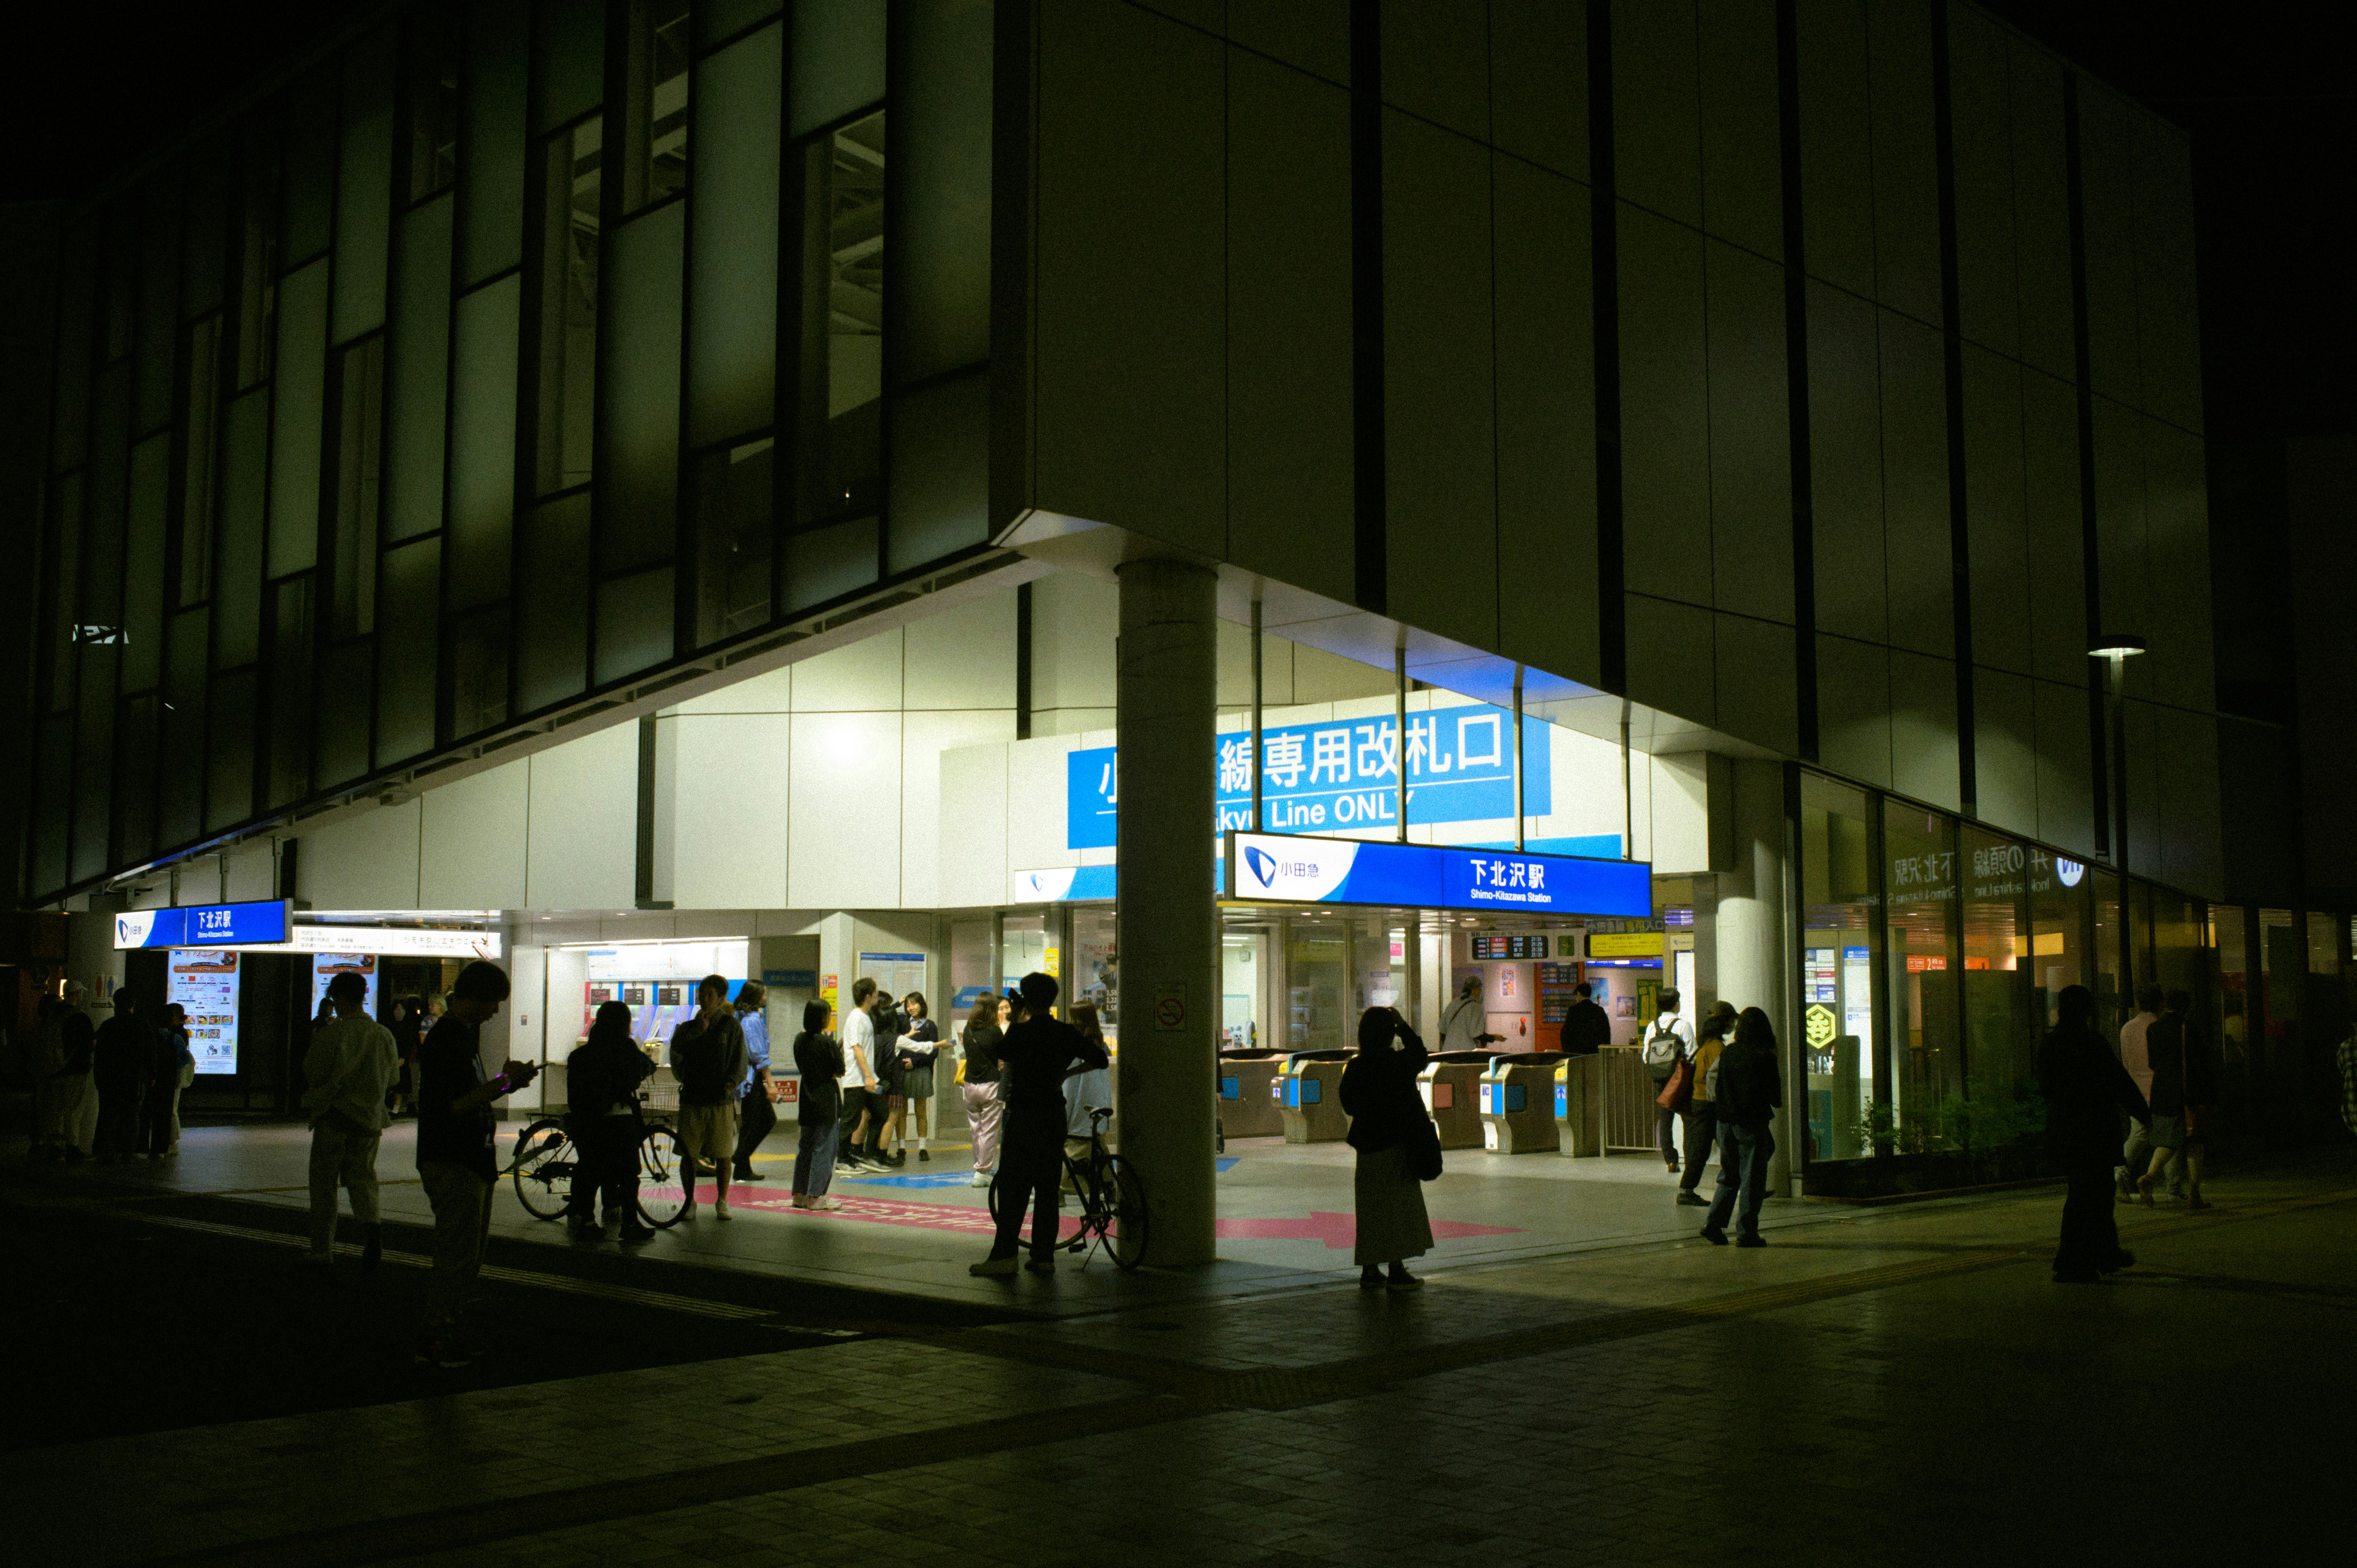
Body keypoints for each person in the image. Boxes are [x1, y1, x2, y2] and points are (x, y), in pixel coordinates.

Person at [414, 961, 537, 1368]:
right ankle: (436, 1335)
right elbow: (453, 1104)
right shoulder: (448, 1038)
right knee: (457, 1254)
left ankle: (447, 1329)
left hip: (468, 1157)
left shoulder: (460, 1036)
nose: (496, 1012)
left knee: (466, 1254)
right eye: (494, 1003)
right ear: (477, 996)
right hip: (454, 1158)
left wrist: (502, 1080)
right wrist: (505, 1084)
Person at [971, 972, 1107, 1278]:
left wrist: (1019, 1020)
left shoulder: (1021, 1032)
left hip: (1023, 1116)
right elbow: (1100, 1060)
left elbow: (1002, 1054)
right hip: (1052, 1115)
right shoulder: (1065, 1032)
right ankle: (1044, 1256)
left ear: (1027, 1000)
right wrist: (1067, 1075)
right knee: (1047, 1189)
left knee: (1014, 1187)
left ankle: (1004, 1256)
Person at [2038, 984, 2150, 1283]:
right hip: (2095, 1129)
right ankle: (2082, 1259)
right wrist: (2144, 1114)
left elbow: (2046, 1088)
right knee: (2096, 1195)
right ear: (2087, 1011)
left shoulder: (2051, 1044)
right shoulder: (2093, 1043)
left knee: (2082, 1193)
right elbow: (2119, 1083)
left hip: (2067, 1129)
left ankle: (2096, 1255)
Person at [302, 971, 399, 1269]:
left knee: (324, 1186)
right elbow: (394, 1077)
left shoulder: (334, 1033)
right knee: (363, 1180)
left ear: (341, 998)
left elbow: (313, 1073)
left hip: (335, 1119)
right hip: (370, 1121)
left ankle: (322, 1248)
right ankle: (373, 1235)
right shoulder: (384, 1034)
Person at [1340, 1006, 1436, 1292]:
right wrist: (1402, 1025)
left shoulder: (1357, 1066)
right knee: (1398, 1207)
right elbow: (1421, 1053)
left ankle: (1370, 1269)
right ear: (1389, 1034)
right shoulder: (1398, 1063)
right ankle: (1396, 1268)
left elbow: (1349, 1104)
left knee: (1370, 1209)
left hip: (1367, 1146)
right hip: (1397, 1144)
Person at [565, 1000, 656, 1243]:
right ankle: (630, 1223)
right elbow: (645, 1069)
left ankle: (586, 1221)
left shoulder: (582, 1054)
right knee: (628, 1174)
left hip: (589, 1121)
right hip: (620, 1117)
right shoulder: (626, 1047)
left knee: (591, 1170)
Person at [1699, 1007, 1782, 1248]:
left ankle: (1714, 1224)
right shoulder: (1765, 1055)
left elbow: (1716, 1086)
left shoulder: (1730, 1052)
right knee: (1752, 1178)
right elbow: (1775, 1097)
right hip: (1751, 1123)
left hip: (1725, 1123)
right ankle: (1746, 1232)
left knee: (1730, 1175)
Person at [669, 974, 748, 1221]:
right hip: (692, 1098)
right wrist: (698, 1034)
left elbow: (740, 1060)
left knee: (724, 1154)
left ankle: (722, 1201)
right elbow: (678, 1056)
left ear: (722, 998)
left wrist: (731, 1084)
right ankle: (689, 1201)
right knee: (688, 1154)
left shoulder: (731, 1027)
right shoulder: (688, 1028)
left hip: (720, 1101)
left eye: (710, 996)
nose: (704, 1000)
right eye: (701, 995)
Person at [1677, 1002, 1737, 1207]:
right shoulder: (1718, 1048)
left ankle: (1744, 1184)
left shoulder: (1705, 1045)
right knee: (1704, 1149)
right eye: (1732, 1020)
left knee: (1712, 1148)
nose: (1734, 1025)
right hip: (1708, 1104)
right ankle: (1686, 1191)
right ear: (1726, 1022)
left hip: (1699, 1102)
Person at [2115, 985, 2170, 1200]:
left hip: (2136, 1091)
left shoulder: (2127, 1029)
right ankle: (2173, 1187)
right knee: (2168, 1138)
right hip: (2159, 1091)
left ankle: (2119, 1173)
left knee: (2137, 1136)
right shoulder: (2159, 1027)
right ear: (2160, 1003)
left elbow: (2127, 1065)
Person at [790, 999, 845, 1211]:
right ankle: (817, 1196)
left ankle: (800, 1194)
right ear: (822, 1018)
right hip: (826, 1097)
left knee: (805, 1147)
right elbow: (840, 1070)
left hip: (806, 1095)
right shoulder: (827, 1043)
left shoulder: (799, 1040)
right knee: (825, 1147)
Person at [92, 992, 157, 1164]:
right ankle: (128, 1151)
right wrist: (151, 1075)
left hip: (110, 1078)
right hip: (135, 1078)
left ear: (115, 1004)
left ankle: (107, 1151)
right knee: (132, 1115)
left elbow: (99, 1054)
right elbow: (150, 1053)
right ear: (133, 1004)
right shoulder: (142, 1026)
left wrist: (98, 1077)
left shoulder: (108, 1026)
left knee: (108, 1114)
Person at [36, 983, 95, 1163]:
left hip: (52, 1070)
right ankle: (73, 1147)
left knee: (55, 1110)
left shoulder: (52, 1015)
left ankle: (53, 1146)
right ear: (77, 994)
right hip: (74, 1070)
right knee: (73, 1110)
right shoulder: (79, 1017)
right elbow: (89, 1044)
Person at [1061, 1003, 1115, 1193]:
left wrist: (1066, 1111)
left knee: (1073, 1150)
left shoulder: (1078, 1046)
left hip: (1081, 1108)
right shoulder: (1099, 1044)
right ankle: (1109, 1187)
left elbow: (1072, 1085)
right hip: (1098, 1103)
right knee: (1098, 1147)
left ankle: (1060, 1191)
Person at [1642, 990, 1695, 1175]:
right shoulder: (1683, 1025)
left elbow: (1646, 1056)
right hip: (1681, 1079)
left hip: (1661, 1080)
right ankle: (1690, 1159)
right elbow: (1691, 1054)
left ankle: (1671, 1161)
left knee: (1665, 1120)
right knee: (1688, 1118)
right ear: (1676, 1004)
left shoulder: (1652, 1026)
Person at [837, 979, 887, 1170]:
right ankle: (842, 1159)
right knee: (851, 1120)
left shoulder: (866, 1017)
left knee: (881, 1113)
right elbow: (857, 1049)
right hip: (856, 1080)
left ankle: (865, 1153)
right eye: (875, 992)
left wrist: (870, 1076)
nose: (877, 995)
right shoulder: (857, 1017)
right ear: (868, 997)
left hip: (868, 1078)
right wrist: (868, 1076)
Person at [728, 981, 776, 1185]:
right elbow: (759, 1055)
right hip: (753, 1078)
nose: (766, 997)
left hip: (743, 1078)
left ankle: (742, 1169)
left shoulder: (741, 1017)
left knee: (749, 1124)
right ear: (756, 997)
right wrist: (771, 1083)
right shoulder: (753, 1021)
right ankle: (740, 1156)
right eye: (764, 994)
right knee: (767, 1120)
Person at [961, 994, 1006, 1189]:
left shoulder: (967, 1029)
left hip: (970, 1085)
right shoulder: (995, 1032)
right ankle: (983, 1172)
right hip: (990, 1085)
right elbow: (1002, 1059)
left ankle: (979, 1167)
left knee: (976, 1129)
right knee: (989, 1130)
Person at [144, 1003, 196, 1157]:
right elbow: (185, 1059)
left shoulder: (151, 1035)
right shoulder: (177, 1038)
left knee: (148, 1112)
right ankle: (163, 1147)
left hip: (152, 1079)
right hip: (170, 1080)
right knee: (167, 1113)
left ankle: (143, 1147)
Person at [900, 992, 940, 1162]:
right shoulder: (902, 1024)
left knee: (921, 1110)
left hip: (922, 1070)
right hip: (903, 1070)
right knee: (901, 1111)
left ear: (922, 1005)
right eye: (908, 1005)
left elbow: (934, 1051)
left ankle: (922, 1148)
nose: (911, 1008)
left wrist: (914, 1063)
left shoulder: (930, 1026)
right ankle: (902, 1147)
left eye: (914, 1004)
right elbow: (898, 1045)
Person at [1558, 981, 1611, 1056]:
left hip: (1577, 1053)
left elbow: (1566, 1033)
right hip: (1595, 1053)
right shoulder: (1599, 1010)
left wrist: (1568, 1051)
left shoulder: (1574, 1010)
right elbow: (1606, 1033)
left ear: (1579, 994)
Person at [1438, 977, 1489, 1052]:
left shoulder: (1454, 1003)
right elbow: (1477, 1034)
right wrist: (1492, 1038)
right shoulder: (1476, 1007)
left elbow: (1442, 1028)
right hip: (1467, 1052)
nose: (1480, 993)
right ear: (1474, 990)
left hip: (1448, 1052)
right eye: (1480, 990)